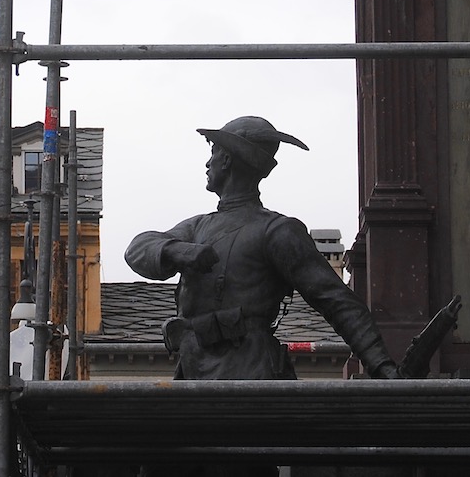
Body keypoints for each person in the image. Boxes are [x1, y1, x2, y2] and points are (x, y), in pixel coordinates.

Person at [125, 115, 400, 380]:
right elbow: (138, 248)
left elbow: (336, 300)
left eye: (214, 153)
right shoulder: (198, 228)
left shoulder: (278, 231)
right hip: (193, 370)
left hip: (250, 374)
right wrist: (181, 252)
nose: (208, 163)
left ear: (228, 159)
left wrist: (382, 366)